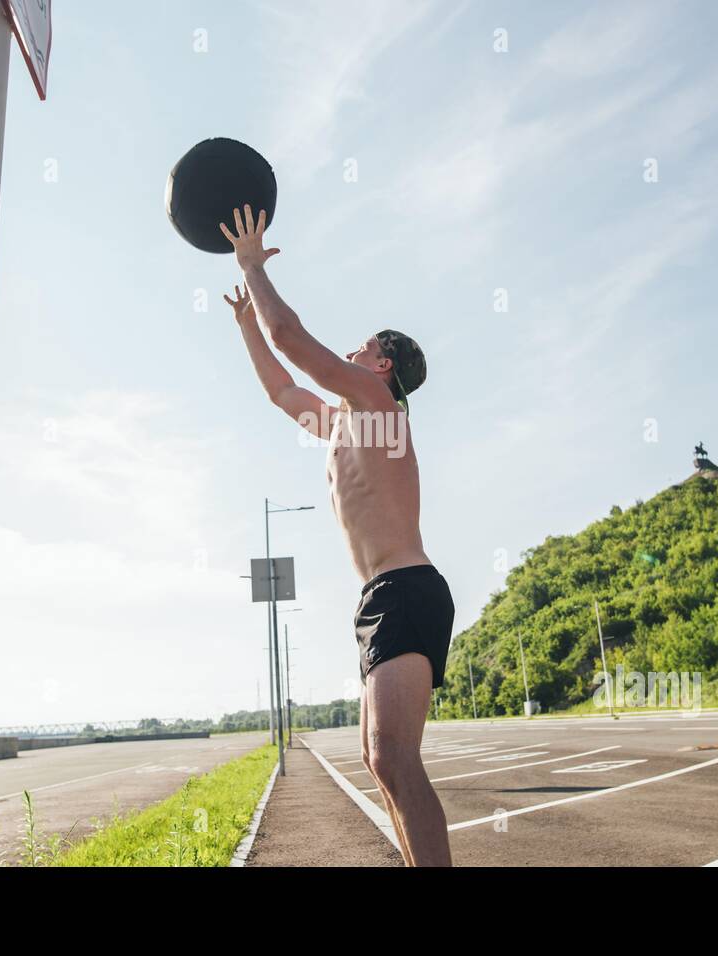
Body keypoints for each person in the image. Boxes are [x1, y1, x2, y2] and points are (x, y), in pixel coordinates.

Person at [219, 204, 455, 866]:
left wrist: (252, 268)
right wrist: (246, 327)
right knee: (379, 765)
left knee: (394, 758)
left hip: (407, 589)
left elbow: (293, 338)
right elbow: (283, 390)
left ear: (381, 366)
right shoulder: (349, 423)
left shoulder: (379, 407)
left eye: (363, 346)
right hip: (380, 596)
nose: (353, 349)